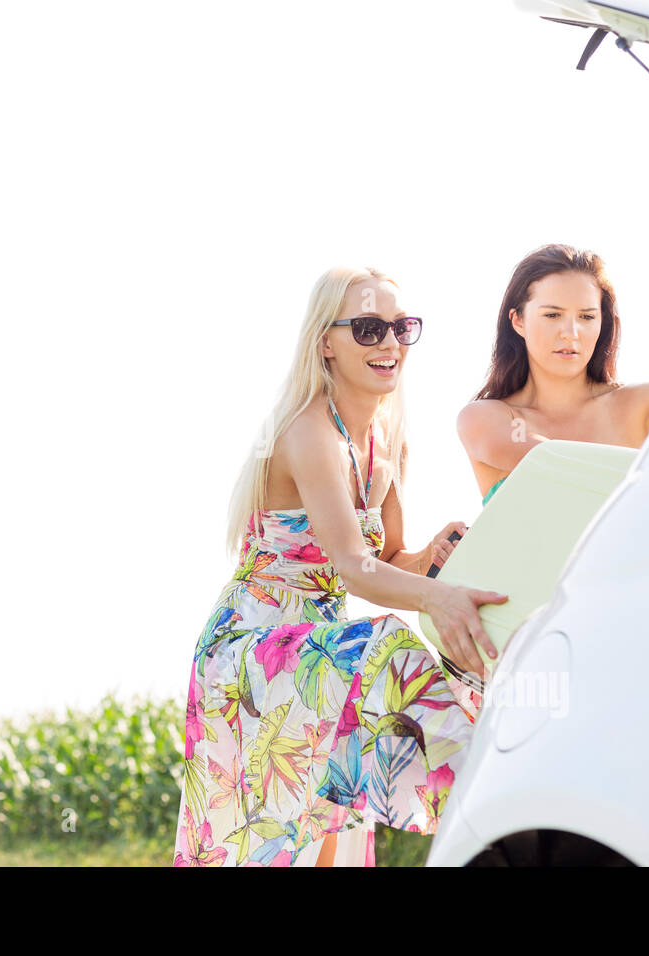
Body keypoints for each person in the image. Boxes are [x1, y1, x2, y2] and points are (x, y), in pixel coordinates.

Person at [173, 266, 508, 867]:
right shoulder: (308, 432)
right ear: (326, 341)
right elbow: (354, 569)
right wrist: (437, 599)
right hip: (255, 647)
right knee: (385, 650)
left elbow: (386, 562)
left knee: (329, 828)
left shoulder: (388, 439)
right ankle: (493, 791)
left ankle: (491, 787)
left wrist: (433, 559)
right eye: (370, 328)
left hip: (321, 649)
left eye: (403, 328)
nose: (390, 343)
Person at [450, 243, 649, 718]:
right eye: (552, 315)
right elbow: (560, 471)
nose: (571, 333)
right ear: (517, 320)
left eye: (587, 317)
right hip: (541, 648)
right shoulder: (488, 417)